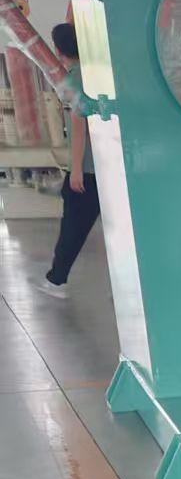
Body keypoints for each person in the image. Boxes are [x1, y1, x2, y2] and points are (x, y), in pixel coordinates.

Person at [38, 22, 99, 300]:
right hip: (110, 166)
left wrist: (76, 170)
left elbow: (78, 125)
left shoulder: (74, 80)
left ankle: (56, 281)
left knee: (73, 226)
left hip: (88, 169)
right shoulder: (98, 74)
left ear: (58, 50)